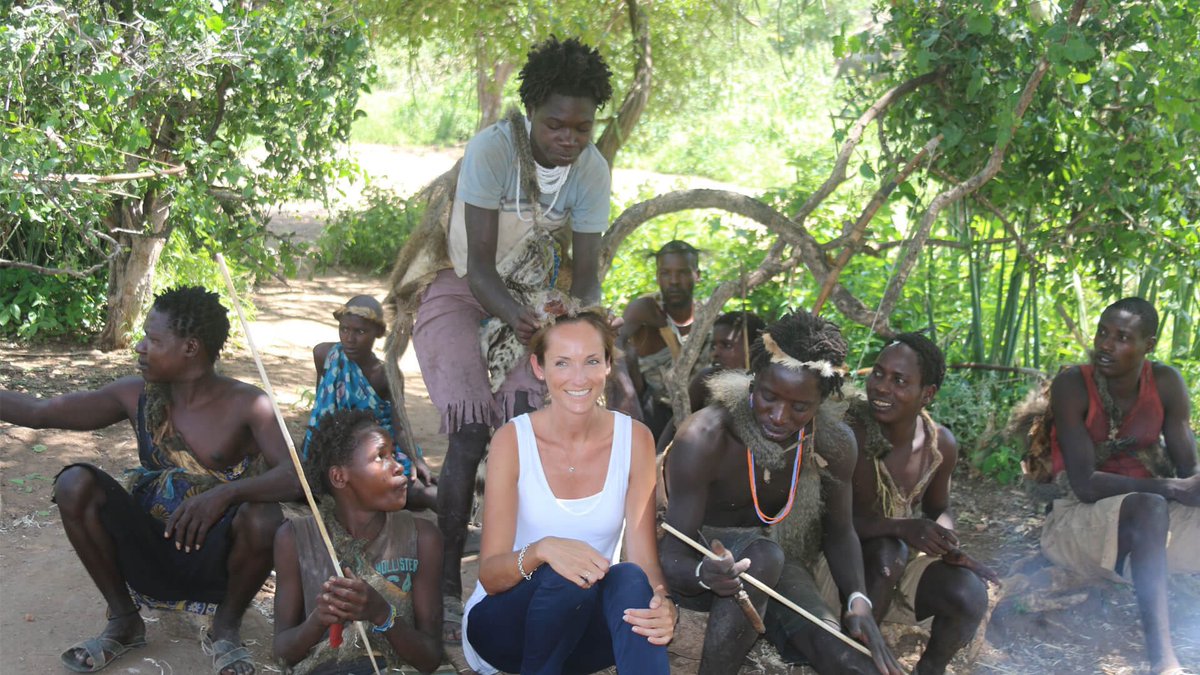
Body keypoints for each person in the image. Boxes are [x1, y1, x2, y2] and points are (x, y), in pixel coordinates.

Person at [407, 36, 614, 642]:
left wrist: (583, 318)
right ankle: (446, 583)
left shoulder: (592, 169)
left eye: (582, 127)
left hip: (532, 298)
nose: (569, 138)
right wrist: (527, 324)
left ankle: (512, 576)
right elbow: (476, 272)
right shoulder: (494, 150)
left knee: (526, 432)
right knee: (471, 430)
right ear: (531, 111)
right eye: (556, 124)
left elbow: (590, 273)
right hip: (461, 288)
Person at [0, 286, 297, 675]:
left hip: (216, 554)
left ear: (190, 348)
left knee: (265, 516)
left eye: (153, 339)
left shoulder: (249, 404)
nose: (140, 347)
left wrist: (226, 494)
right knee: (74, 483)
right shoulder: (134, 395)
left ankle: (225, 627)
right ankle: (124, 620)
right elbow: (42, 412)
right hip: (154, 543)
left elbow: (296, 476)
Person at [660, 311, 902, 674]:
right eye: (769, 397)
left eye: (800, 407)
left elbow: (840, 531)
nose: (779, 415)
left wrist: (857, 598)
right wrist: (702, 573)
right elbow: (671, 553)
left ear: (821, 401)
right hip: (698, 564)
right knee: (763, 558)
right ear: (754, 380)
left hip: (771, 561)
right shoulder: (706, 437)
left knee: (848, 660)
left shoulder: (834, 443)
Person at [462, 308, 674, 674]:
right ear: (539, 368)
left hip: (582, 636)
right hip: (506, 628)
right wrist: (543, 551)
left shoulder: (635, 439)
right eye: (562, 363)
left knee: (629, 579)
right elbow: (490, 575)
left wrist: (662, 603)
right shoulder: (513, 440)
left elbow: (643, 560)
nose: (579, 377)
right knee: (566, 570)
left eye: (591, 361)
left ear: (608, 364)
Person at [1042, 297, 1200, 675]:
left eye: (1122, 337)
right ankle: (1163, 658)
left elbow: (1188, 467)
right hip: (1077, 524)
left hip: (1148, 532)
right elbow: (1083, 485)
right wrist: (1174, 488)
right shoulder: (1072, 385)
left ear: (1149, 344)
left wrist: (1190, 485)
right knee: (1150, 505)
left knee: (1154, 505)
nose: (1105, 345)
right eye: (1102, 333)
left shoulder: (1165, 383)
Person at [845, 333, 996, 675]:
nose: (882, 387)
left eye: (899, 381)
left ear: (927, 394)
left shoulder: (938, 444)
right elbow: (830, 525)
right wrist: (900, 527)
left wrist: (947, 542)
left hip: (895, 567)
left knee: (969, 592)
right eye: (878, 373)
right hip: (840, 570)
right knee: (889, 549)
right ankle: (851, 658)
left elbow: (938, 508)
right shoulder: (849, 433)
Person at [273, 409, 443, 674]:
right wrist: (319, 619)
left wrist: (382, 614)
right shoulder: (294, 538)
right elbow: (284, 652)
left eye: (394, 454)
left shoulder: (423, 537)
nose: (399, 465)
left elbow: (430, 658)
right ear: (340, 477)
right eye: (381, 456)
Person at [303, 294, 436, 510]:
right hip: (332, 449)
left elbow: (399, 428)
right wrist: (311, 453)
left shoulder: (386, 375)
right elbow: (321, 410)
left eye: (360, 332)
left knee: (422, 491)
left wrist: (417, 460)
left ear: (378, 333)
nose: (349, 338)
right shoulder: (324, 355)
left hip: (377, 452)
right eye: (344, 329)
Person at [609, 240, 710, 440]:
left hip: (700, 412)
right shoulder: (646, 309)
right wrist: (627, 391)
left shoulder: (707, 317)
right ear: (657, 276)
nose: (673, 281)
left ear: (696, 275)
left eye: (682, 273)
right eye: (665, 273)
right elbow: (615, 341)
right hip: (654, 410)